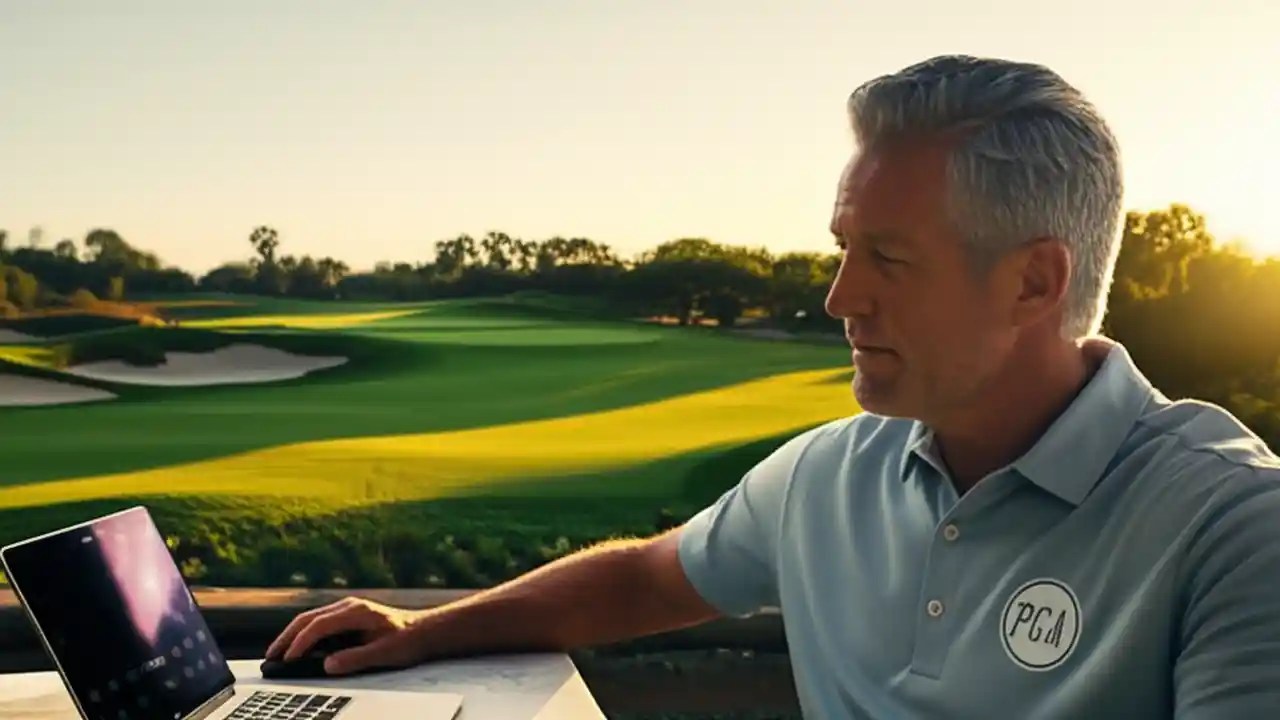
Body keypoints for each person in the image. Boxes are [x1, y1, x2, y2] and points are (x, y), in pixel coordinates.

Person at [266, 55, 1280, 717]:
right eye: (841, 250)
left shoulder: (1232, 526)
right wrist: (420, 630)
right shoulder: (827, 477)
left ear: (1031, 281)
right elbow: (646, 578)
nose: (840, 298)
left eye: (887, 258)